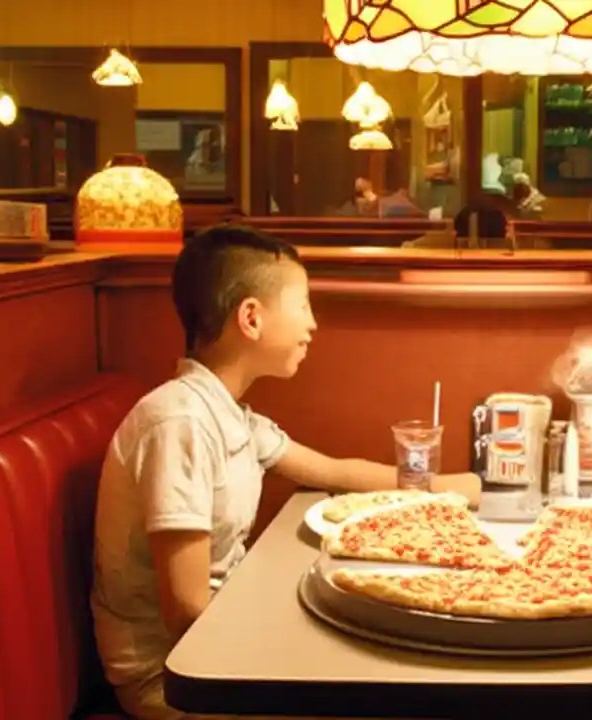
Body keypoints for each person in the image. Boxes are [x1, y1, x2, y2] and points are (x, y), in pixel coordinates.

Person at [90, 225, 478, 720]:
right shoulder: (180, 422)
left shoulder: (230, 415)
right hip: (173, 680)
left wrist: (454, 489)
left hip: (220, 645)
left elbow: (334, 471)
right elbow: (185, 609)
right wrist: (295, 640)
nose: (312, 324)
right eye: (302, 305)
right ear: (250, 318)